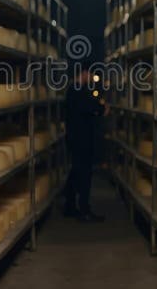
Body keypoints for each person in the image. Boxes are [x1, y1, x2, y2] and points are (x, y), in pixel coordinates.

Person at [63, 66, 106, 222]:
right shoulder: (77, 91)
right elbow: (93, 107)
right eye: (91, 74)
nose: (92, 77)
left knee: (76, 172)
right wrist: (101, 108)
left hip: (76, 137)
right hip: (81, 139)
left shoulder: (75, 90)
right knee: (84, 174)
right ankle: (84, 210)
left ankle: (70, 207)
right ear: (84, 73)